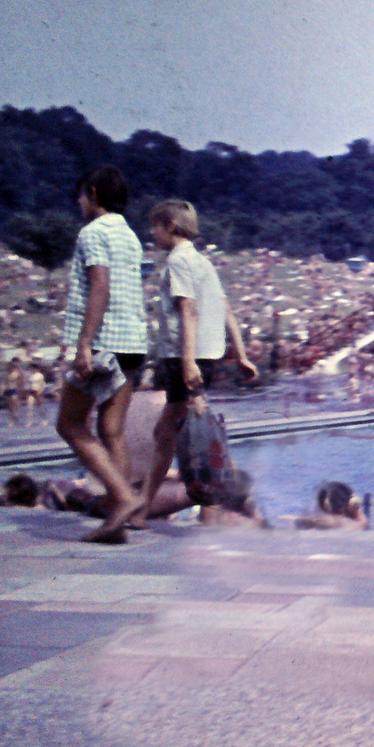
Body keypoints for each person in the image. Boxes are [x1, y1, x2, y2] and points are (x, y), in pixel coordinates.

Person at [137, 200, 259, 524]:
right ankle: (214, 502)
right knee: (181, 429)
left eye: (156, 227)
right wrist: (242, 356)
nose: (152, 233)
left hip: (183, 355)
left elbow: (187, 310)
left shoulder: (177, 262)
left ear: (171, 227)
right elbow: (226, 311)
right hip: (207, 354)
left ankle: (144, 507)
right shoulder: (204, 262)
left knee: (174, 431)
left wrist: (188, 362)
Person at [58, 167, 150, 544]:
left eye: (81, 195)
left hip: (105, 342)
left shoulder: (92, 233)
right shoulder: (130, 236)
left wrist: (84, 343)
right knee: (112, 430)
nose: (80, 203)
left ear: (93, 193)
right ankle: (118, 521)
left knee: (69, 424)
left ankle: (125, 498)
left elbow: (100, 287)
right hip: (133, 341)